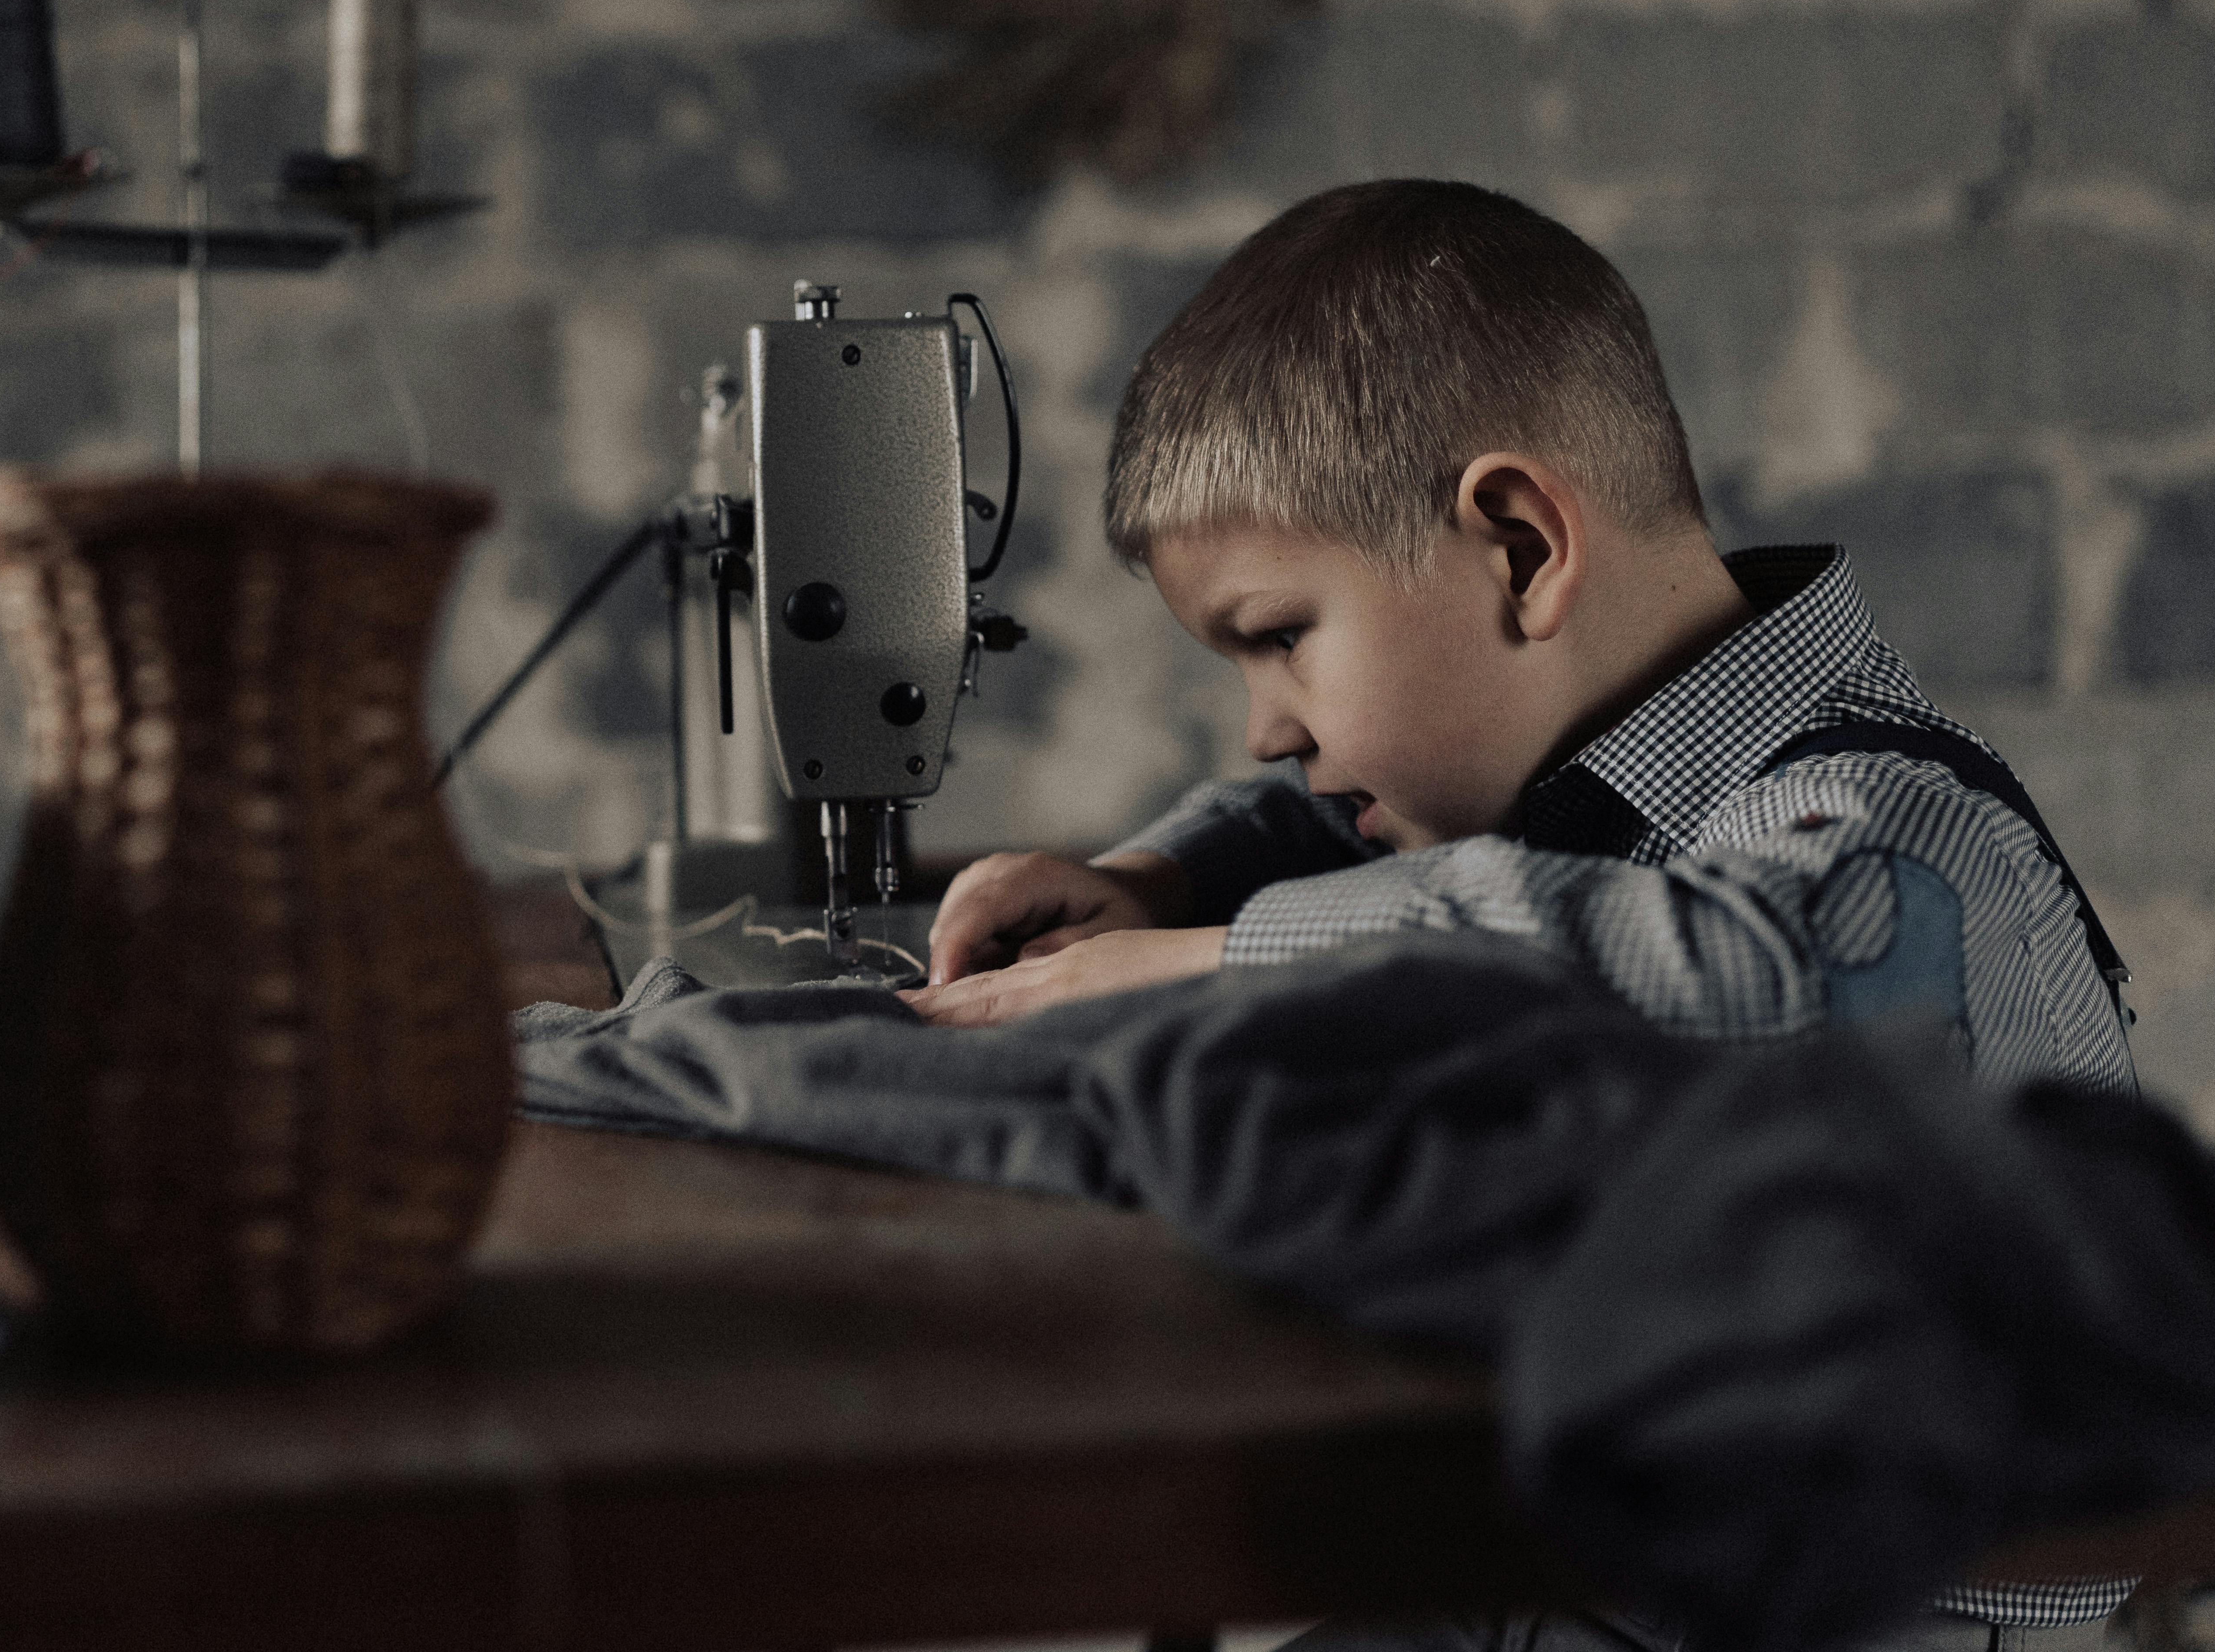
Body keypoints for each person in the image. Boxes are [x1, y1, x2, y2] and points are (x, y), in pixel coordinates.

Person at [909, 177, 2139, 1652]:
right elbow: (1370, 821)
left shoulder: (1891, 827)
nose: (1265, 730)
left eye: (1281, 638)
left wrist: (1218, 965)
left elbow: (1728, 969)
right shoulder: (1606, 764)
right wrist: (1158, 881)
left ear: (1520, 549)